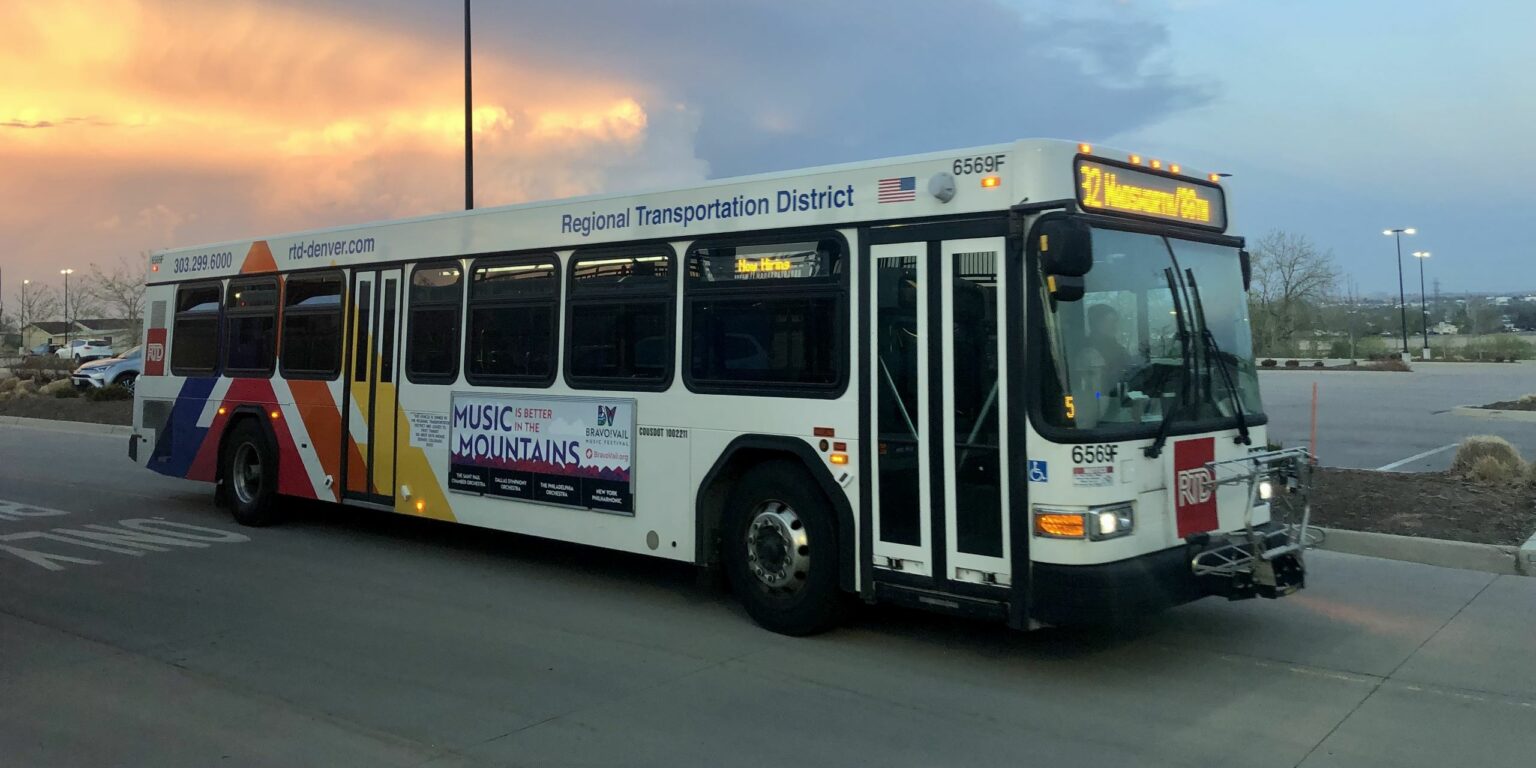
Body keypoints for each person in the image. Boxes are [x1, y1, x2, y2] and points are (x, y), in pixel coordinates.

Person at [1083, 303, 1133, 392]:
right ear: (1096, 324)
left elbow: (1130, 370)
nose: (1115, 327)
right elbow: (1095, 387)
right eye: (1111, 322)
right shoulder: (1088, 351)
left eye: (1115, 322)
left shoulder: (1116, 348)